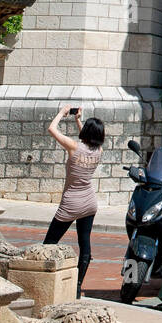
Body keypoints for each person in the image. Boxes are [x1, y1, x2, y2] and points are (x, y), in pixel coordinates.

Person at [43, 106, 104, 298]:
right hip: (89, 203)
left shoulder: (74, 147)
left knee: (49, 243)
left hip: (70, 204)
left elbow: (52, 129)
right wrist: (78, 120)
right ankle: (77, 286)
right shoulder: (98, 151)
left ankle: (44, 278)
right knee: (84, 243)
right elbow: (87, 140)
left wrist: (62, 113)